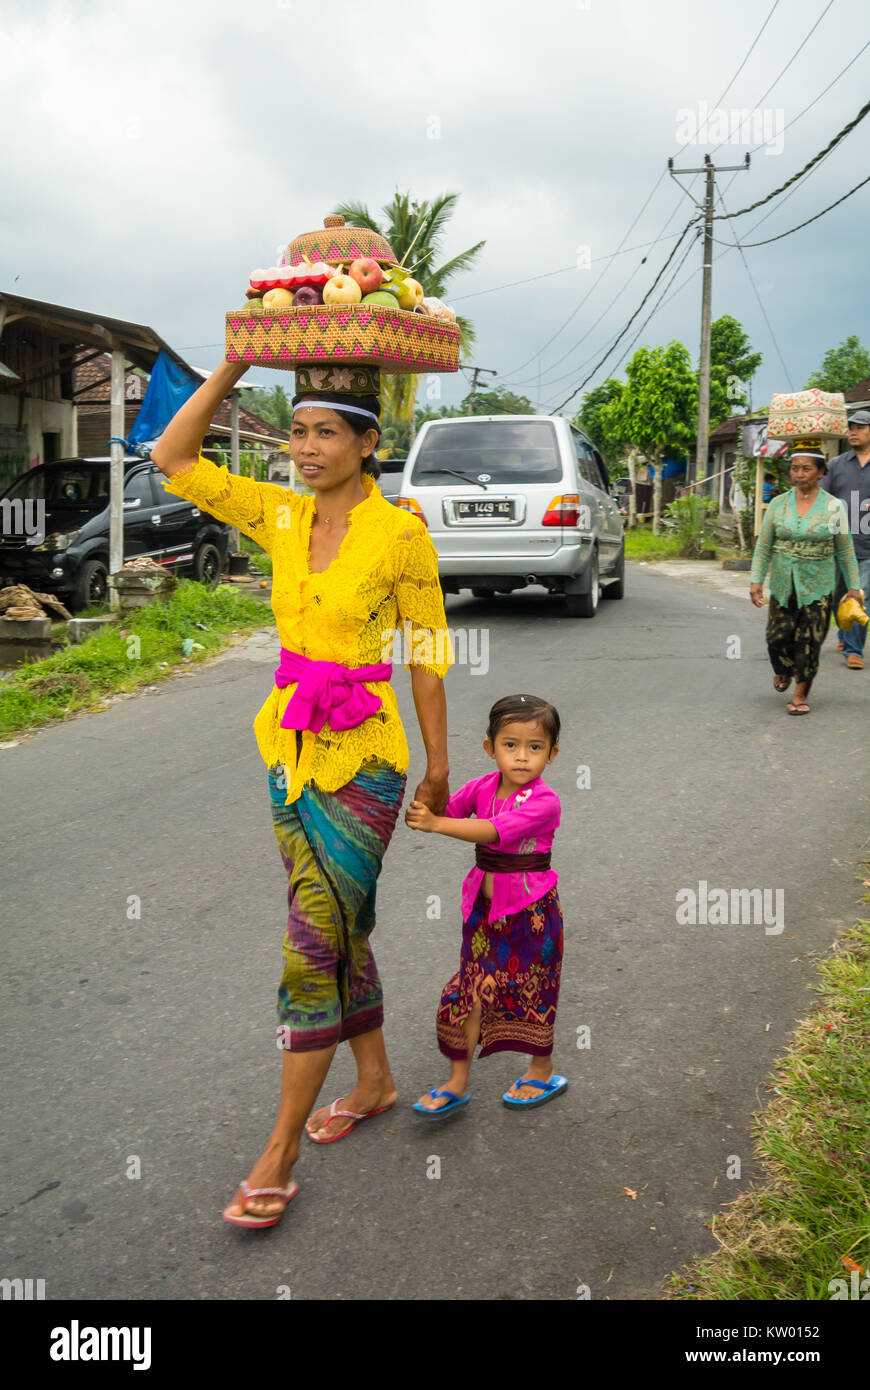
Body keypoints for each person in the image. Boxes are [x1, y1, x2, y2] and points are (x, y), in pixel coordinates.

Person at [150, 358, 453, 1228]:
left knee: (308, 943)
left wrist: (436, 768)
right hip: (286, 752)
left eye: (328, 432)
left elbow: (427, 658)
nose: (308, 447)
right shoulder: (276, 515)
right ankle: (377, 1079)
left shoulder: (400, 535)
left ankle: (277, 1149)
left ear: (367, 444)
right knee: (339, 925)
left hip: (366, 763)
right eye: (298, 430)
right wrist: (236, 361)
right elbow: (173, 455)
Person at [406, 694, 567, 1113]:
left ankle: (541, 1069)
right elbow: (448, 806)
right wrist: (430, 791)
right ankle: (457, 1082)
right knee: (470, 989)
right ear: (489, 748)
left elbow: (494, 831)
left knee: (532, 991)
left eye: (534, 748)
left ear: (551, 755)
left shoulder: (545, 802)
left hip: (531, 914)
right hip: (482, 913)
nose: (521, 757)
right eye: (509, 745)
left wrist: (436, 824)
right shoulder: (482, 787)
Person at [749, 439, 862, 715]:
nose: (799, 474)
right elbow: (764, 545)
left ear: (821, 472)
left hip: (818, 584)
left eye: (806, 469)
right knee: (776, 638)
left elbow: (845, 549)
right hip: (783, 582)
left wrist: (854, 587)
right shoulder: (778, 504)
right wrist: (756, 580)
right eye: (795, 468)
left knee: (810, 640)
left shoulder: (833, 507)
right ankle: (783, 668)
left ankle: (800, 694)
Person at [822, 409, 870, 669]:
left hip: (867, 547)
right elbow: (821, 497)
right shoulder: (835, 465)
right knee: (835, 595)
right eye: (850, 427)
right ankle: (843, 631)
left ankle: (854, 651)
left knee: (859, 596)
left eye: (860, 427)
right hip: (837, 544)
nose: (853, 431)